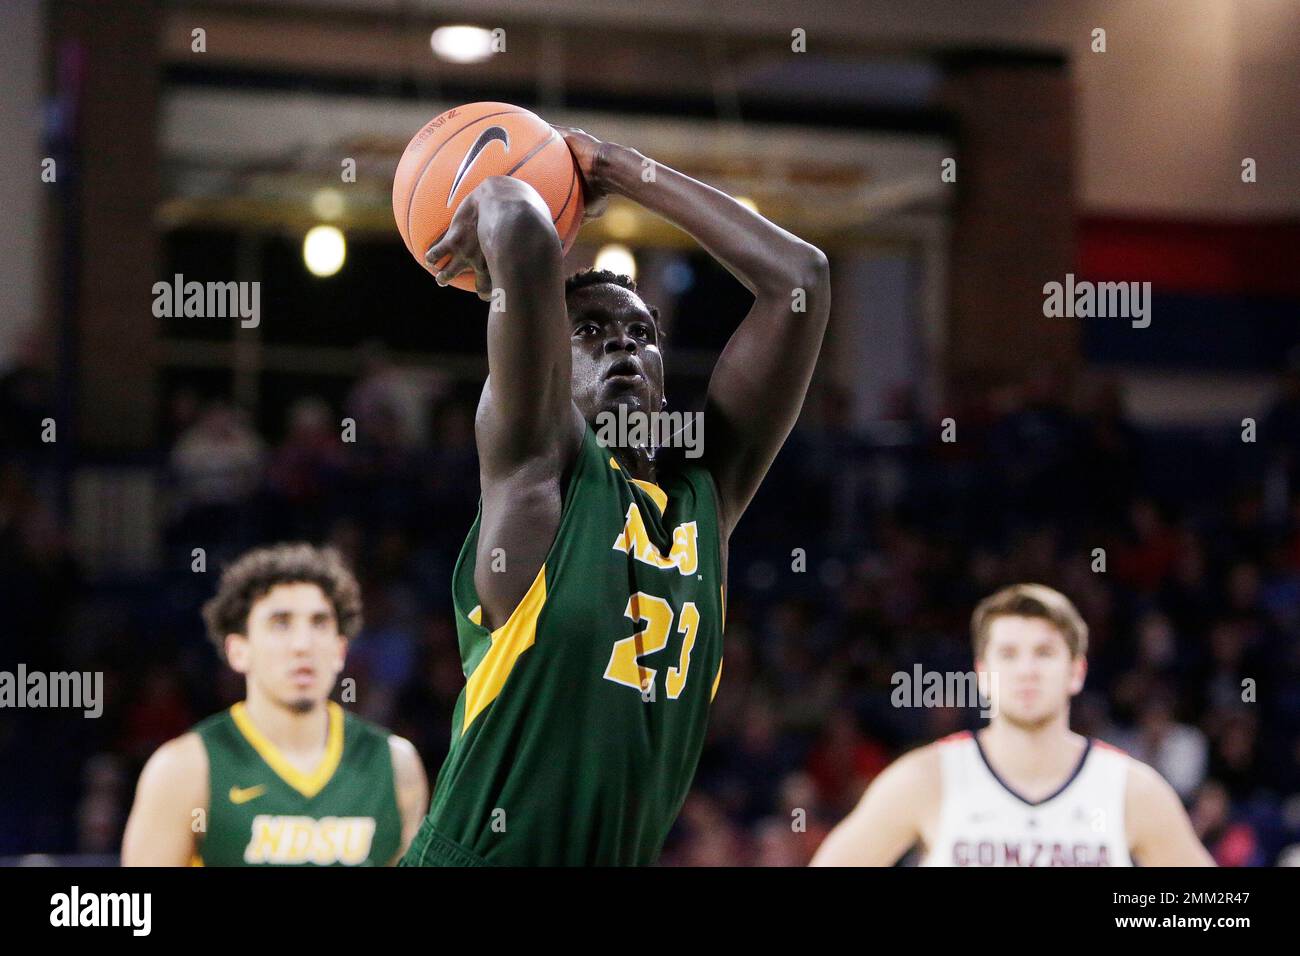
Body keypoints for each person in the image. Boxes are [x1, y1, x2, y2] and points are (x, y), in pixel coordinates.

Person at [400, 125, 830, 865]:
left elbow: (802, 280)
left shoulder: (703, 496)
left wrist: (620, 168)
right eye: (591, 330)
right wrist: (518, 188)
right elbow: (515, 217)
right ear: (547, 368)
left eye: (641, 333)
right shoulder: (536, 475)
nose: (623, 345)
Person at [811, 583, 1213, 866]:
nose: (1026, 670)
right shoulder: (926, 778)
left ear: (1076, 672)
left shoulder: (1131, 790)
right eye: (1009, 654)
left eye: (1043, 653)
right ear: (983, 674)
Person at [122, 543, 428, 866]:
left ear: (340, 651)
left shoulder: (396, 766)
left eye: (320, 623)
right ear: (238, 651)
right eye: (281, 623)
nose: (302, 644)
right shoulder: (184, 769)